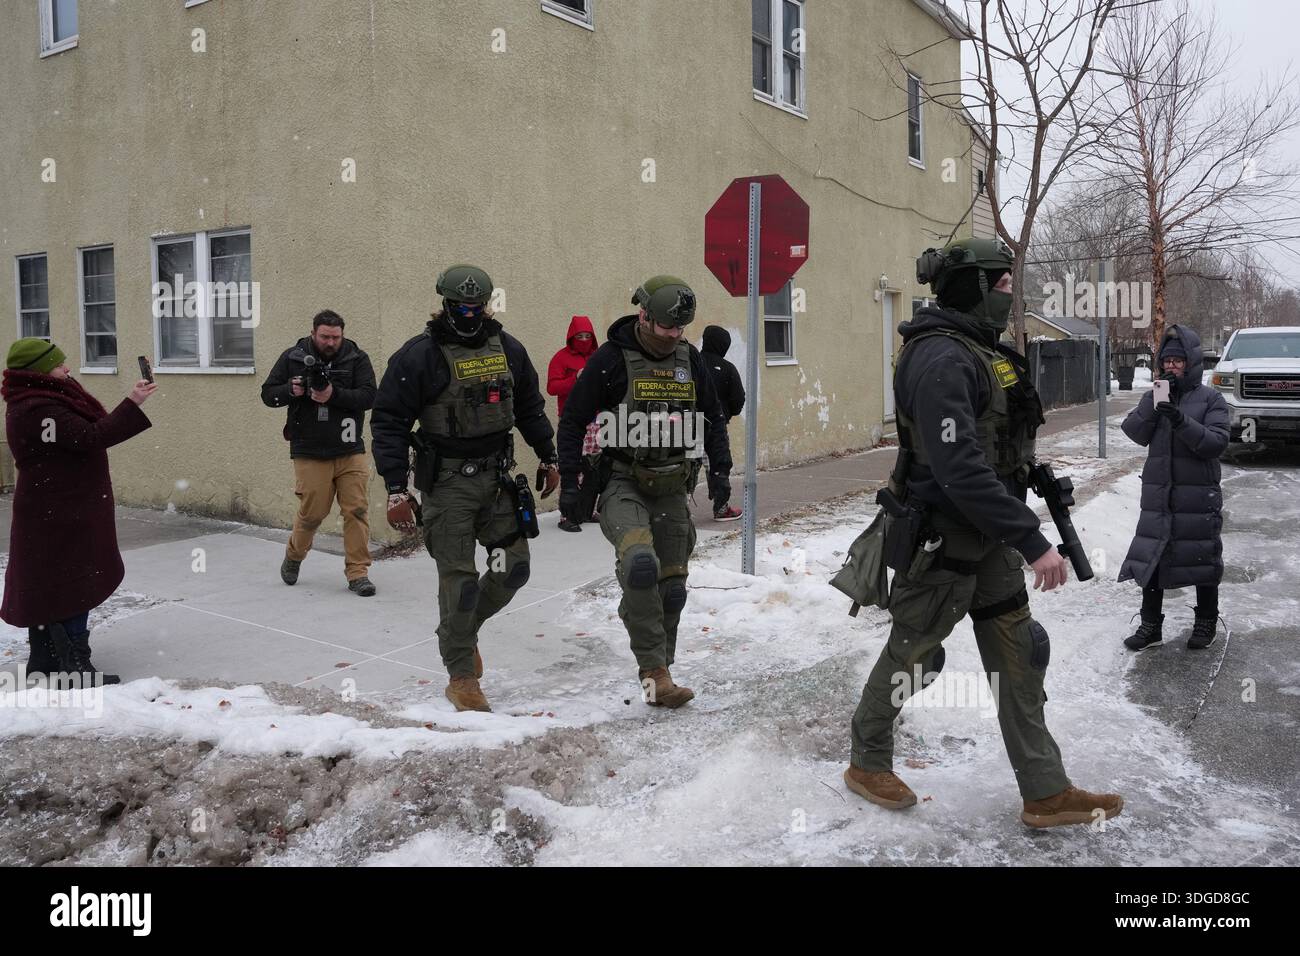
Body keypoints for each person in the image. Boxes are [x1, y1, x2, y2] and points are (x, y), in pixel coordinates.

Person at [843, 239, 1123, 828]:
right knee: (914, 658)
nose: (1008, 295)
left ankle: (1045, 791)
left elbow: (996, 448)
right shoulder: (940, 357)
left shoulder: (982, 351)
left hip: (988, 542)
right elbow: (958, 468)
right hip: (941, 543)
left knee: (1020, 656)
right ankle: (867, 760)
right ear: (971, 286)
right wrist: (1032, 539)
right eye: (999, 285)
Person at [371, 264, 558, 713]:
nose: (470, 314)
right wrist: (397, 489)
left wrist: (549, 456)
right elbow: (388, 422)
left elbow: (530, 405)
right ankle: (462, 677)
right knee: (460, 583)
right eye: (460, 307)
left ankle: (459, 632)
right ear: (444, 304)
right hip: (449, 485)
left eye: (477, 306)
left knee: (514, 569)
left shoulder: (508, 349)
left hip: (497, 482)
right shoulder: (420, 356)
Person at [556, 276, 732, 709]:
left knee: (672, 587)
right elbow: (574, 418)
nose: (673, 336)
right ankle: (653, 669)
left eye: (680, 329)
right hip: (623, 481)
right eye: (665, 327)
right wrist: (571, 481)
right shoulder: (610, 359)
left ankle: (661, 673)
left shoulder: (690, 361)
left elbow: (714, 418)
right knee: (639, 565)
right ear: (643, 315)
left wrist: (722, 473)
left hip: (673, 485)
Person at [1, 338, 156, 685]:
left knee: (53, 586)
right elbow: (88, 436)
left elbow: (85, 432)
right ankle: (73, 667)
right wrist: (132, 402)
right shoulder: (37, 409)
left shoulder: (44, 397)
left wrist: (131, 402)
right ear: (40, 370)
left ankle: (48, 662)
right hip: (58, 512)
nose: (67, 368)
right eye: (59, 365)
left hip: (61, 508)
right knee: (72, 584)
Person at [1119, 324, 1229, 650]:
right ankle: (1150, 626)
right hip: (1158, 494)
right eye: (1166, 361)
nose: (1171, 367)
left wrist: (1180, 420)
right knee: (1153, 557)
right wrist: (1154, 403)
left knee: (1201, 558)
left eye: (1178, 361)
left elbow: (1215, 443)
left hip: (1197, 495)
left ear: (1191, 363)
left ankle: (1206, 621)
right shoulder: (1155, 394)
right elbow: (1135, 432)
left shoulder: (1212, 399)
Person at [261, 310, 378, 596]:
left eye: (336, 337)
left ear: (343, 335)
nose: (330, 342)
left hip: (349, 448)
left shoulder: (356, 358)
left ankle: (358, 573)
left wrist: (333, 395)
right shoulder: (293, 357)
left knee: (357, 510)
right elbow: (268, 395)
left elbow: (370, 396)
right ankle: (294, 555)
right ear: (313, 333)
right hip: (310, 450)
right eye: (325, 336)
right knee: (313, 513)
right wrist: (290, 390)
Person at [547, 315, 600, 531]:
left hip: (598, 419)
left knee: (596, 468)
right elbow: (553, 387)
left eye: (588, 336)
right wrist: (575, 379)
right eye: (580, 336)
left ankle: (589, 510)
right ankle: (567, 515)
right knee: (572, 466)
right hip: (572, 420)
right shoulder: (561, 358)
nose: (584, 339)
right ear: (572, 337)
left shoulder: (599, 357)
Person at [700, 325, 745, 521]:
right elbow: (738, 399)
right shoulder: (727, 369)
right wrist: (727, 413)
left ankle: (678, 508)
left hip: (688, 425)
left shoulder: (690, 363)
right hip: (715, 426)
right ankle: (721, 507)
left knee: (686, 465)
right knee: (719, 464)